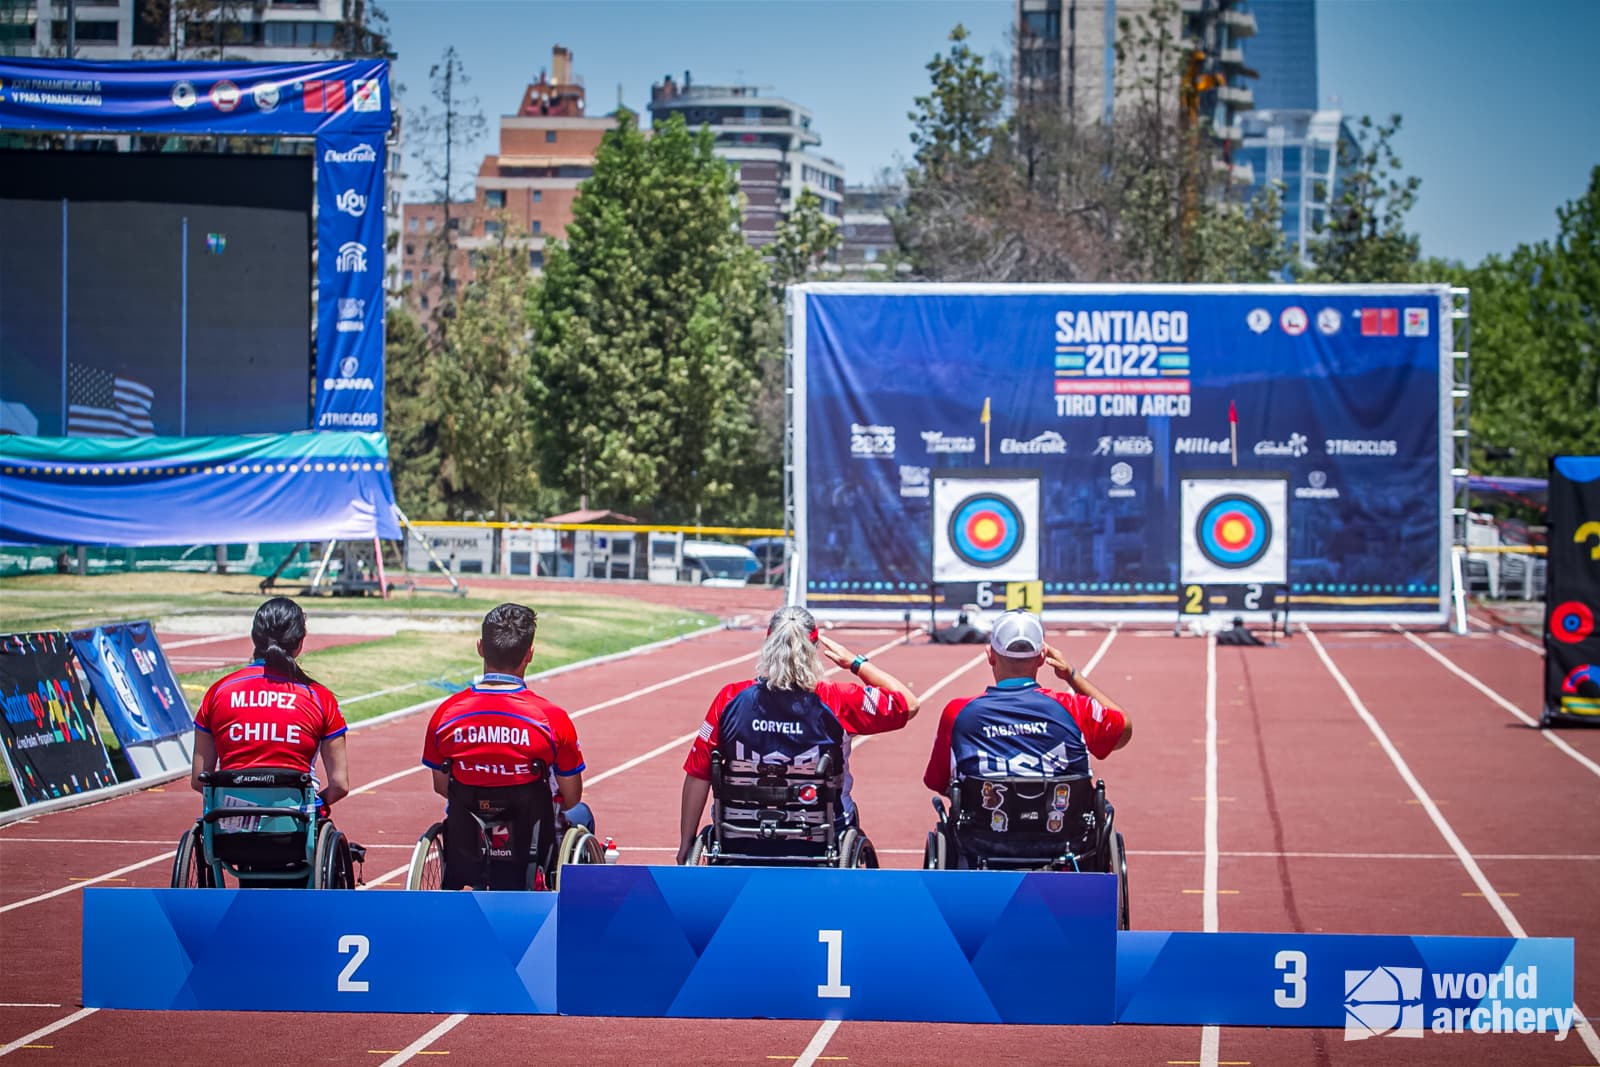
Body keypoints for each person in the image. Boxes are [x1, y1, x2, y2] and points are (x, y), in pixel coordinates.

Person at [677, 605, 921, 864]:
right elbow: (909, 704)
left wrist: (686, 842)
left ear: (768, 641)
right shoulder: (838, 699)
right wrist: (856, 663)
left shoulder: (730, 698)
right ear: (814, 648)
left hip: (738, 836)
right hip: (818, 837)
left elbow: (698, 773)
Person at [421, 603, 590, 889]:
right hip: (532, 844)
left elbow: (442, 786)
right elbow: (571, 796)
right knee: (582, 813)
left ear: (480, 648)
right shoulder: (551, 719)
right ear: (530, 654)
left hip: (468, 841)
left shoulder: (446, 714)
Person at [923, 609, 1131, 797]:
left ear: (990, 655)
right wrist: (1072, 676)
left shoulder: (959, 713)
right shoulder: (1074, 708)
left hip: (983, 834)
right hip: (1064, 834)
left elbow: (939, 782)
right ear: (1042, 657)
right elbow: (1123, 731)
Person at [191, 597, 349, 809]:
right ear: (300, 641)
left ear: (254, 637)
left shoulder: (218, 692)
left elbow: (199, 779)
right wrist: (315, 807)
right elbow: (339, 785)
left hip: (229, 820)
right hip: (294, 822)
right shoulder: (319, 698)